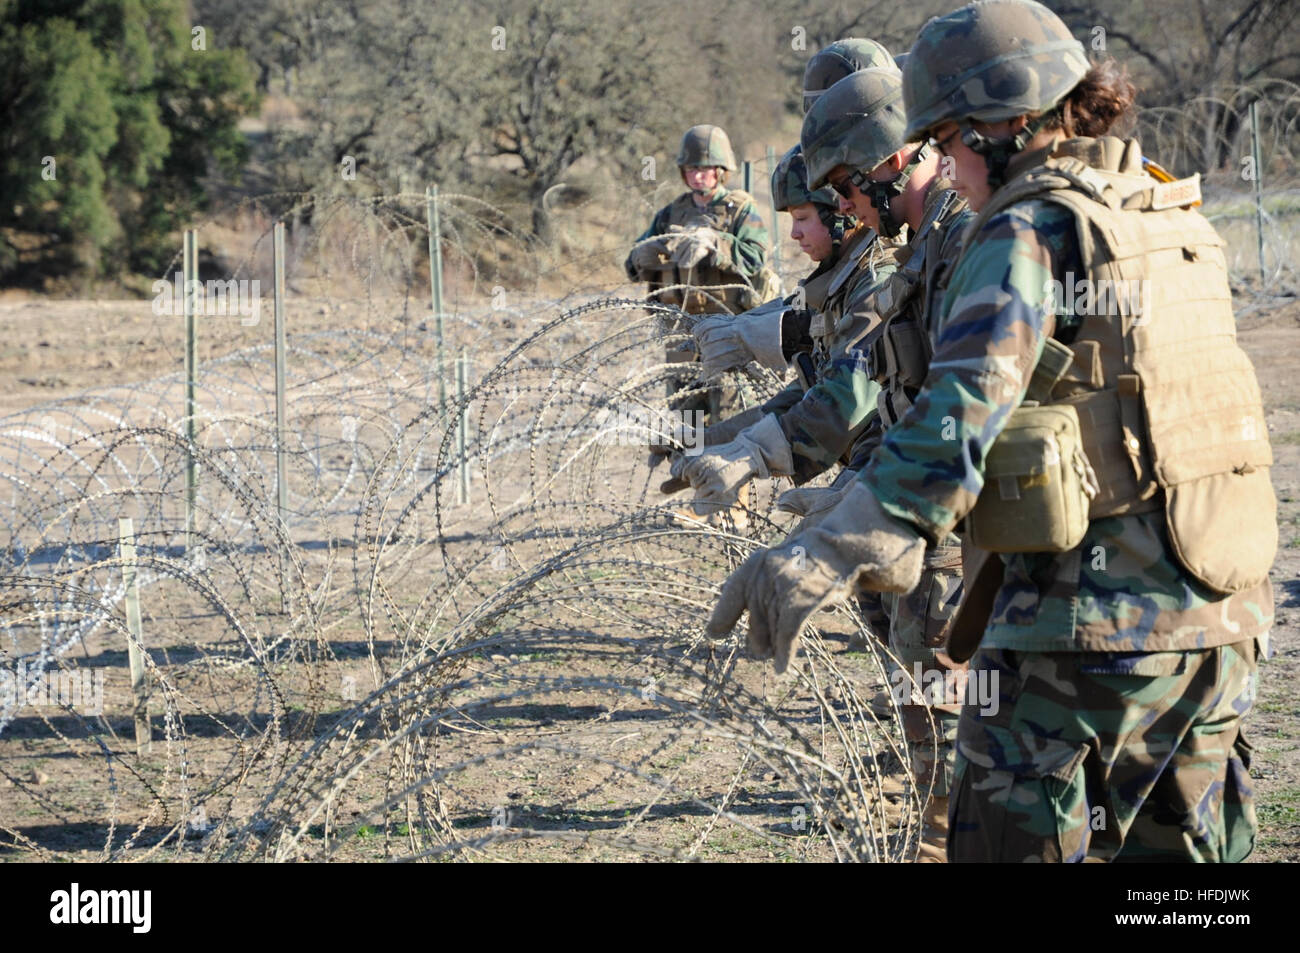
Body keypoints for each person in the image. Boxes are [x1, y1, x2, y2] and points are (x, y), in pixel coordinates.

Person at [707, 0, 1275, 863]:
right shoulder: (1166, 209)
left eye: (952, 141)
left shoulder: (1029, 227)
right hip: (1221, 617)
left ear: (1001, 126)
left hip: (1082, 638)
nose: (953, 166)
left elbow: (960, 408)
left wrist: (827, 548)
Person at [625, 124, 775, 431]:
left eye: (706, 169)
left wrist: (714, 243)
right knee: (688, 425)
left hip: (729, 329)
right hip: (682, 333)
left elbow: (757, 256)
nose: (698, 176)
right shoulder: (671, 213)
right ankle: (694, 474)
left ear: (721, 170)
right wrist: (642, 256)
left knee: (731, 421)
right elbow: (632, 263)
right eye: (692, 168)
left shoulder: (740, 209)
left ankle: (731, 477)